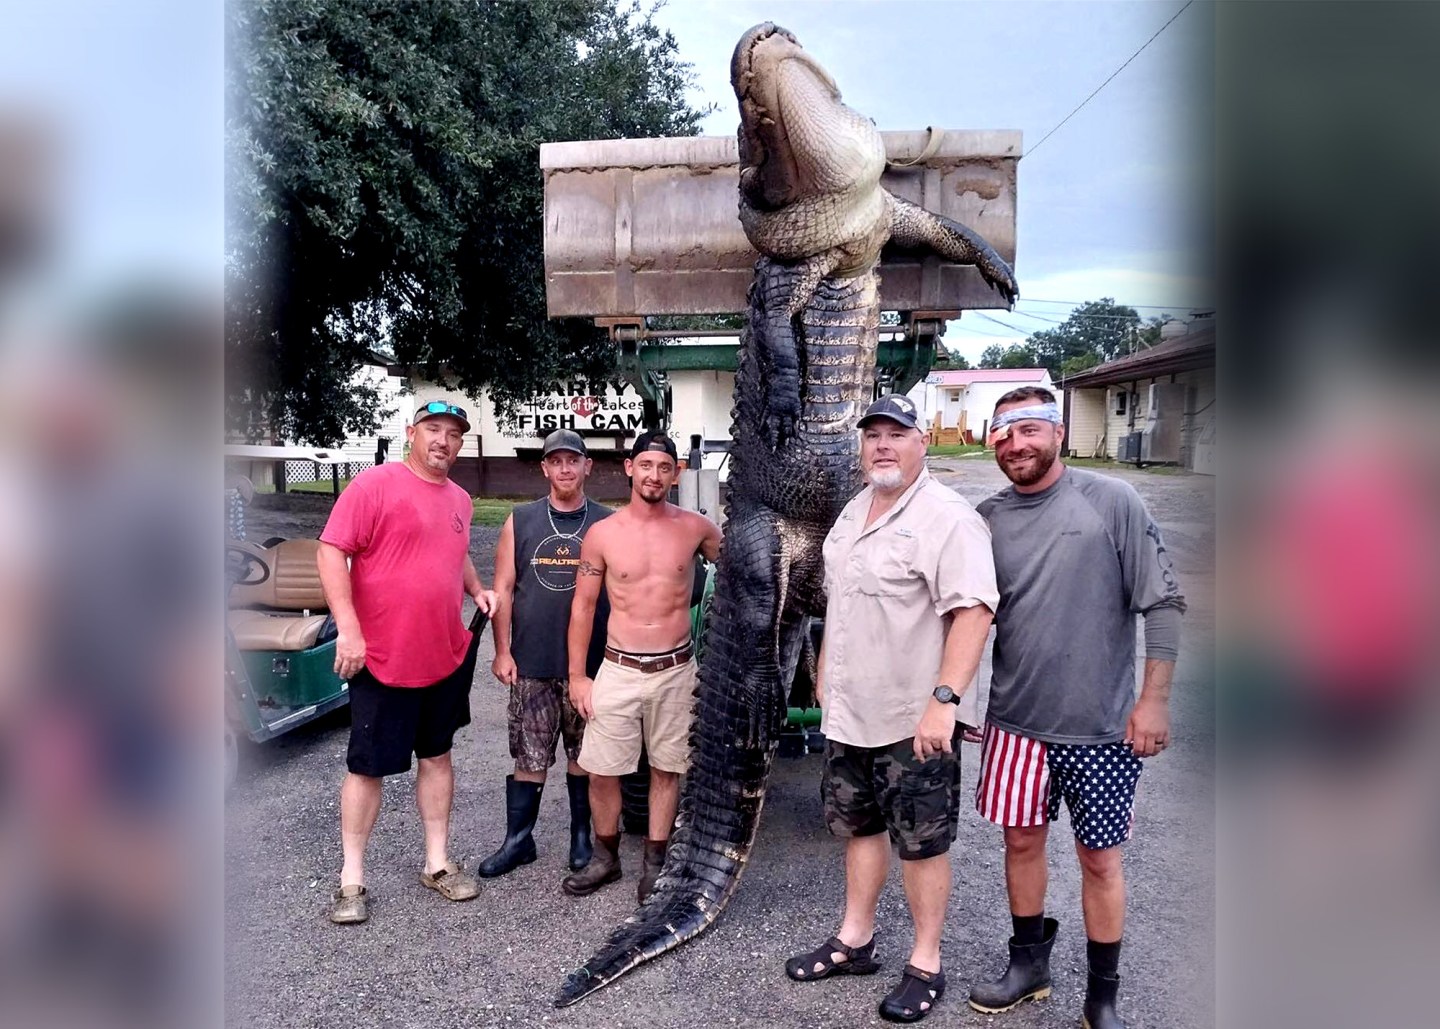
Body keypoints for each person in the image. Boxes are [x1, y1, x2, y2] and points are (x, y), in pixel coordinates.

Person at [967, 386, 1185, 1029]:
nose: (1016, 444)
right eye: (1003, 434)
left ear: (1057, 432)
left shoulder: (1111, 502)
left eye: (1029, 429)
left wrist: (1154, 702)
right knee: (1022, 844)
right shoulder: (987, 517)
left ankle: (1102, 996)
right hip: (1014, 725)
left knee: (1100, 859)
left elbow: (1163, 603)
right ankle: (1029, 965)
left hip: (1102, 726)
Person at [786, 394, 998, 1025]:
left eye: (896, 435)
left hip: (915, 718)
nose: (882, 444)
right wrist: (825, 668)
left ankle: (925, 963)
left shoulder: (947, 518)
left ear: (921, 442)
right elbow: (842, 602)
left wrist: (944, 703)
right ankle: (855, 940)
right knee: (859, 829)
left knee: (923, 844)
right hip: (851, 712)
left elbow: (974, 611)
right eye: (873, 434)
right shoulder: (855, 509)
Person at [316, 399, 497, 925]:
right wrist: (348, 630)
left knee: (437, 756)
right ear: (411, 432)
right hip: (381, 658)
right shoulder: (373, 486)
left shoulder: (461, 498)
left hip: (442, 656)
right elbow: (331, 551)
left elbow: (456, 550)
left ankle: (437, 864)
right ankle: (352, 880)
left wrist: (477, 588)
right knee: (366, 767)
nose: (444, 441)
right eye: (433, 429)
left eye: (454, 434)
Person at [559, 430, 722, 902]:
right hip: (619, 668)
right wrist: (577, 676)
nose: (654, 475)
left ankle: (655, 861)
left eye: (664, 467)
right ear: (630, 467)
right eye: (646, 465)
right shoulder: (603, 534)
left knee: (667, 771)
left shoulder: (696, 529)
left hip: (676, 669)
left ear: (676, 474)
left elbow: (738, 576)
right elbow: (583, 609)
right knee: (602, 769)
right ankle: (606, 858)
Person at [480, 429, 611, 879]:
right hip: (531, 660)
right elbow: (502, 590)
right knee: (529, 756)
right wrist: (501, 651)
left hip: (589, 665)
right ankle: (519, 841)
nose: (565, 469)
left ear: (586, 466)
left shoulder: (607, 522)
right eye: (556, 462)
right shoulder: (520, 519)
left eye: (573, 461)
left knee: (584, 755)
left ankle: (581, 837)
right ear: (545, 469)